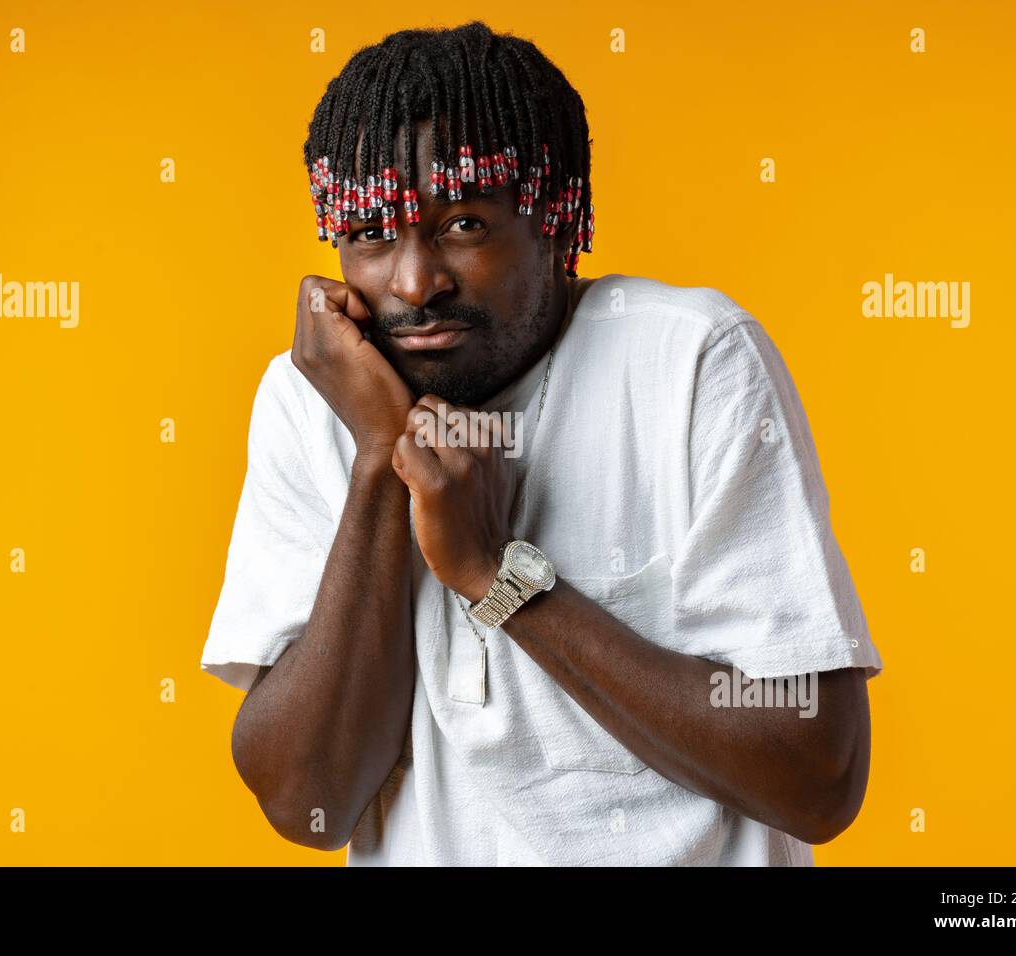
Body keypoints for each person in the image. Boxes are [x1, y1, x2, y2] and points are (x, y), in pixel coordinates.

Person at [201, 20, 883, 865]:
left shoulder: (691, 361)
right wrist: (379, 458)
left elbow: (819, 776)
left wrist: (497, 577)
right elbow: (309, 801)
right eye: (373, 231)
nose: (414, 283)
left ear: (559, 219)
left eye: (464, 224)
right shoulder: (314, 399)